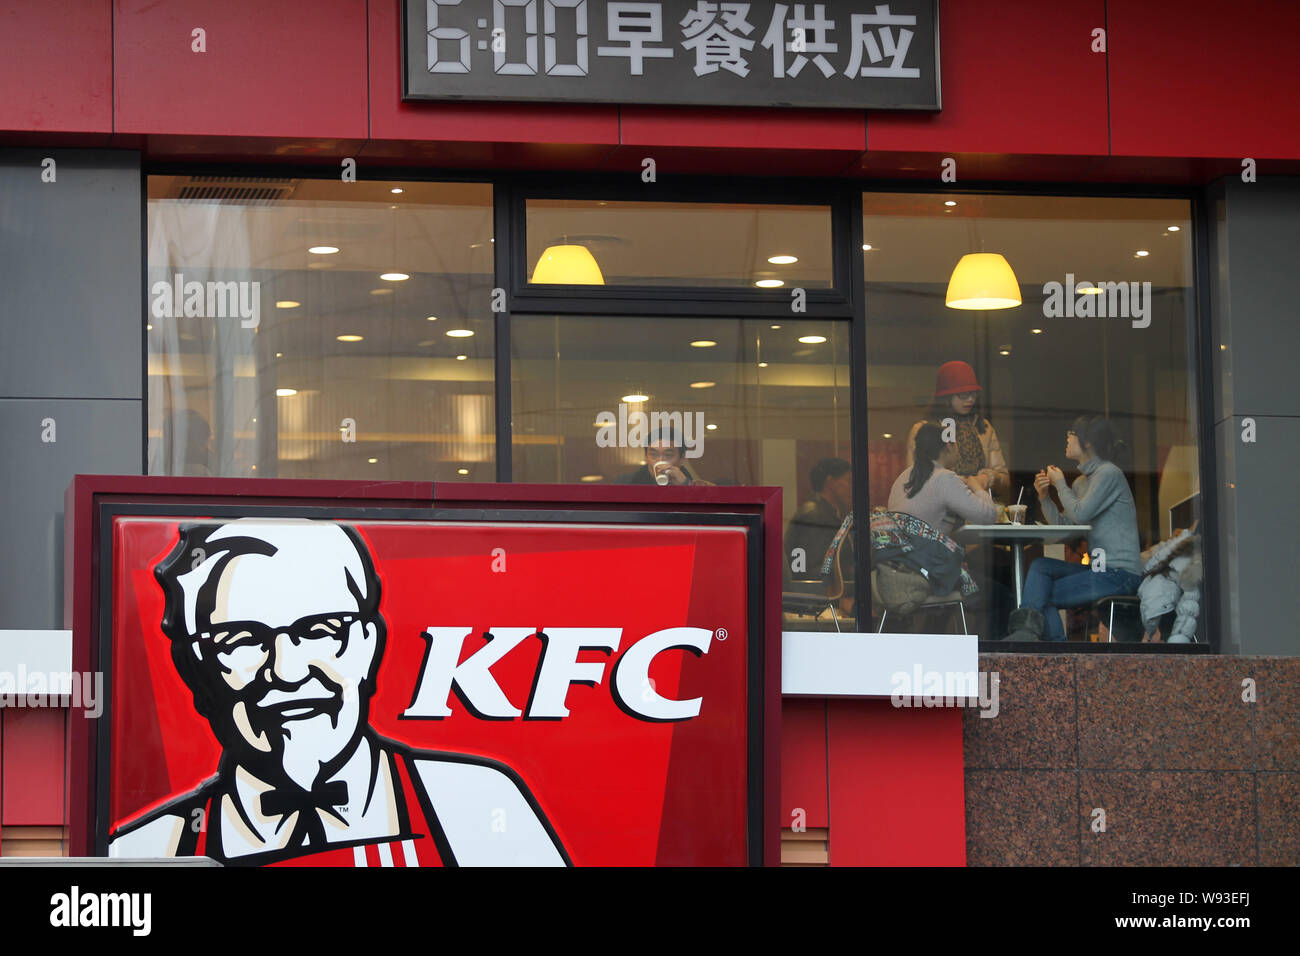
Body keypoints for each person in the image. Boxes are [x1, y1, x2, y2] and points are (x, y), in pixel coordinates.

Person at [108, 519, 570, 866]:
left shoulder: (474, 804)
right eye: (242, 640)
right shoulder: (152, 848)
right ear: (196, 671)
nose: (287, 671)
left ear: (368, 647)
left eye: (321, 630)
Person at [1006, 416, 1142, 642]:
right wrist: (1045, 499)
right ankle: (1027, 635)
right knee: (1041, 566)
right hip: (1099, 570)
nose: (1067, 437)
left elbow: (1081, 513)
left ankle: (1051, 648)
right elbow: (1065, 528)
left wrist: (1060, 484)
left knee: (1043, 595)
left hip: (1120, 574)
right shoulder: (1082, 482)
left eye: (1072, 433)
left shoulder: (1108, 473)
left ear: (1087, 442)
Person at [907, 361, 1009, 500]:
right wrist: (953, 481)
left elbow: (1004, 479)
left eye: (973, 394)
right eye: (963, 395)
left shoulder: (983, 428)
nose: (970, 399)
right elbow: (914, 479)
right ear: (946, 397)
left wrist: (986, 479)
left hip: (976, 510)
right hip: (940, 513)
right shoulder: (923, 430)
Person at [889, 423, 997, 536]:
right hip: (928, 551)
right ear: (949, 446)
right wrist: (977, 486)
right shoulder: (944, 478)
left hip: (902, 550)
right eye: (956, 445)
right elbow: (988, 517)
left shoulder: (903, 476)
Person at [785, 457, 853, 583]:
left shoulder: (823, 513)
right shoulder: (815, 516)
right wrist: (849, 571)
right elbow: (809, 570)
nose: (852, 488)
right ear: (830, 482)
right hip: (818, 597)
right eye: (848, 481)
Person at [614, 437, 715, 486]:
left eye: (668, 455)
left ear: (682, 459)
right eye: (654, 455)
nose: (660, 460)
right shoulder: (626, 483)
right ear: (646, 457)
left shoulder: (699, 486)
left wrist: (685, 484)